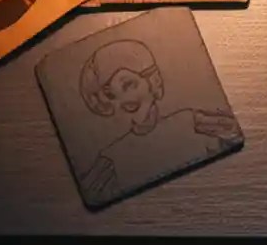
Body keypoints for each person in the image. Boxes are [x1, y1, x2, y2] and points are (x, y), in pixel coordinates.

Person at [77, 40, 241, 202]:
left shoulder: (190, 123)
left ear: (154, 81)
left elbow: (232, 140)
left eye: (127, 85)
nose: (123, 101)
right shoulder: (112, 159)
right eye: (110, 96)